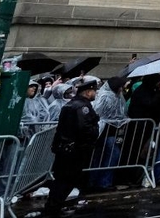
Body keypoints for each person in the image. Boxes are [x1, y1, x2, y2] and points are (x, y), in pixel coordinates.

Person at [44, 77, 101, 216]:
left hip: (66, 149)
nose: (95, 94)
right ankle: (53, 208)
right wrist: (93, 132)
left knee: (63, 179)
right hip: (74, 150)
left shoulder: (71, 104)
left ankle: (54, 206)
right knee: (66, 180)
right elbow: (85, 128)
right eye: (94, 91)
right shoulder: (82, 107)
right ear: (87, 92)